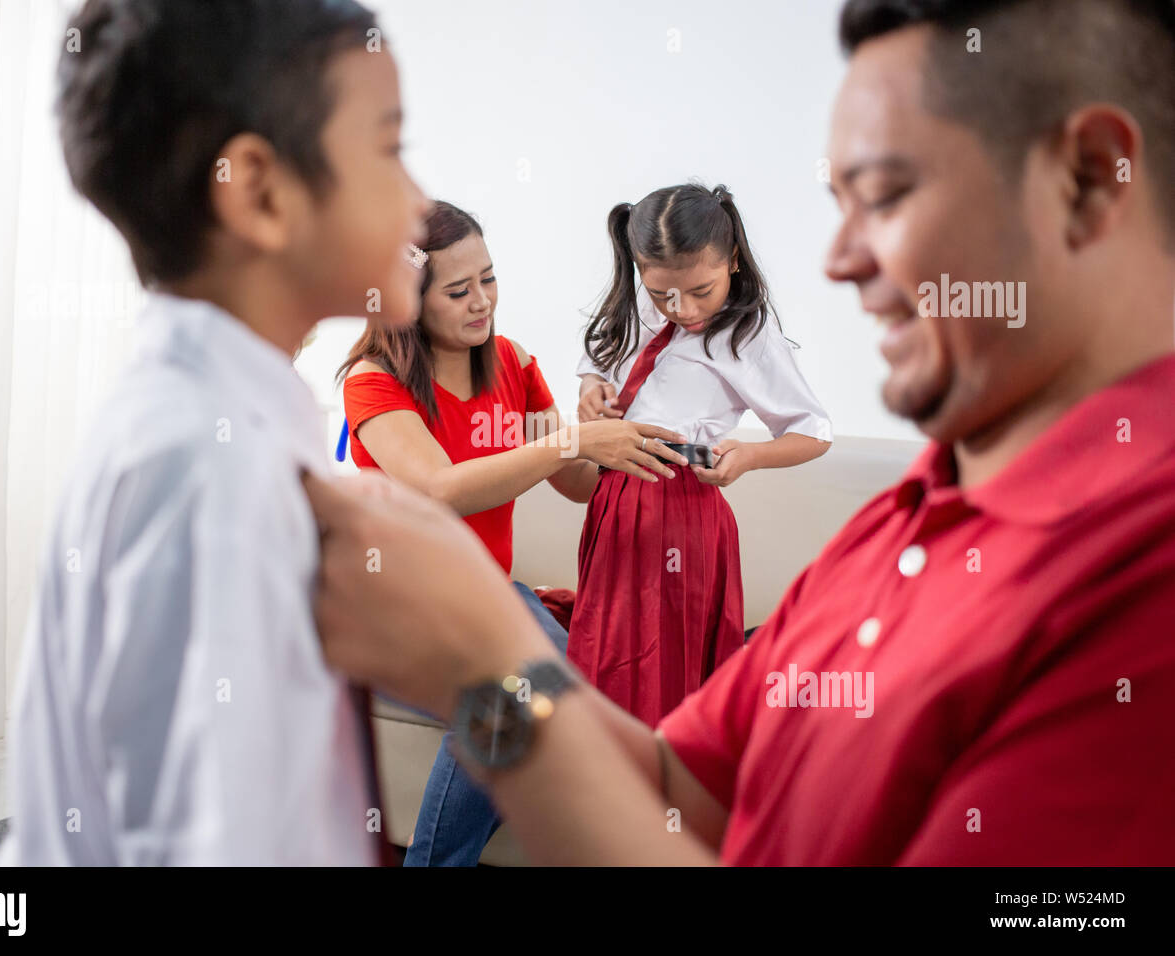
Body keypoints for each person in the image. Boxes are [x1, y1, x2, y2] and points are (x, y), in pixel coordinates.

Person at [303, 0, 1175, 865]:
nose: (838, 259)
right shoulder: (890, 529)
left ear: (1091, 179)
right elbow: (671, 787)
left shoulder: (1134, 571)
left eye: (888, 194)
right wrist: (490, 665)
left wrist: (495, 644)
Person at [0, 0, 427, 865]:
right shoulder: (210, 467)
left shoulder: (233, 424)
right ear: (259, 191)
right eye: (389, 149)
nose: (418, 202)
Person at [339, 200, 687, 865]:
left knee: (574, 680)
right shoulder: (373, 383)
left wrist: (609, 426)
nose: (482, 301)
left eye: (489, 279)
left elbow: (578, 481)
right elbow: (441, 489)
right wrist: (571, 441)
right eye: (458, 289)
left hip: (484, 594)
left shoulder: (512, 363)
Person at [569, 183, 832, 725]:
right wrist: (590, 391)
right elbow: (598, 361)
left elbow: (814, 430)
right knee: (607, 653)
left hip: (679, 510)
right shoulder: (640, 303)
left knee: (670, 667)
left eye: (700, 291)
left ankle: (671, 795)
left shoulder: (747, 334)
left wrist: (752, 456)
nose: (680, 308)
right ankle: (608, 791)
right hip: (614, 502)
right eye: (663, 292)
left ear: (732, 260)